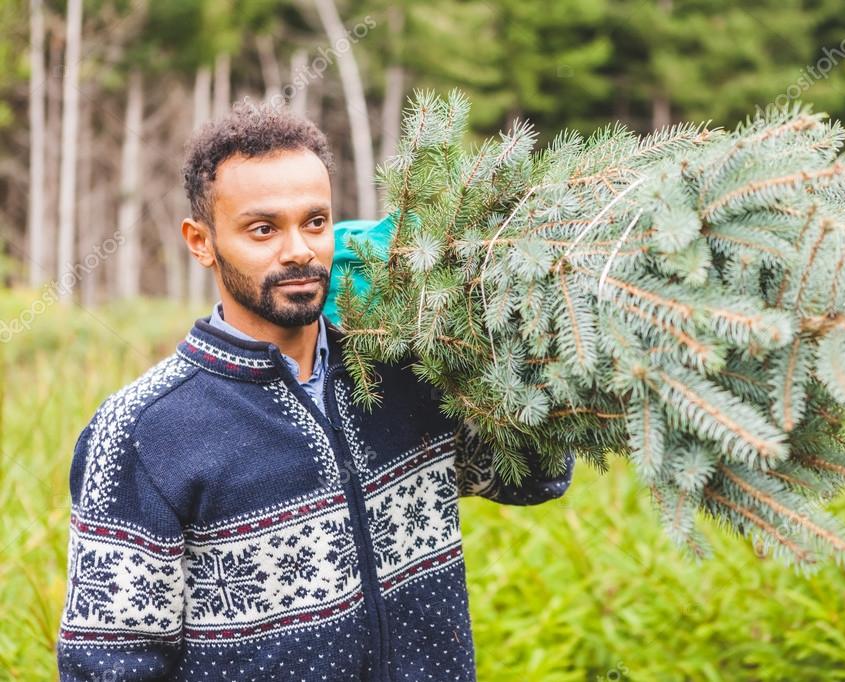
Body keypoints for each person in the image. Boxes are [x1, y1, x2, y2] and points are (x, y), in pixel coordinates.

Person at [56, 102, 574, 681]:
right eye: (263, 228)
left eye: (315, 222)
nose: (298, 249)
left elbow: (532, 476)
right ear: (201, 242)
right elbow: (109, 665)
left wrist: (513, 332)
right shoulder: (142, 432)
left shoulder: (402, 369)